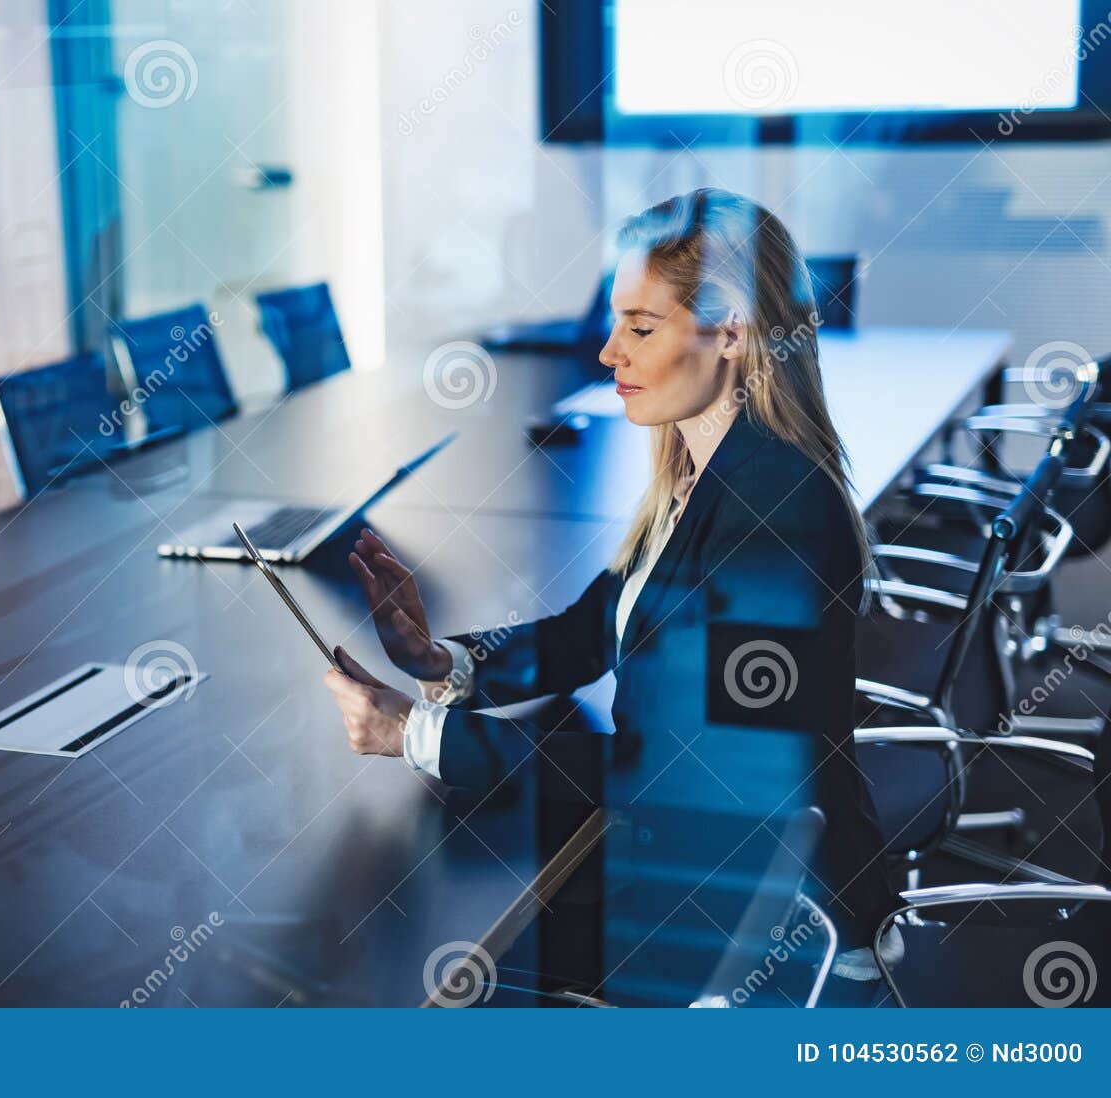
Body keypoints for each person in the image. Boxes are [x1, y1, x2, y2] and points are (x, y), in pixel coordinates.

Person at [321, 187, 899, 1003]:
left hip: (773, 938)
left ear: (729, 333)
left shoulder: (773, 512)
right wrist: (440, 657)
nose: (608, 354)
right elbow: (591, 631)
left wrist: (416, 735)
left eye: (641, 327)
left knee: (432, 984)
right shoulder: (706, 471)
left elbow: (675, 778)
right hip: (712, 880)